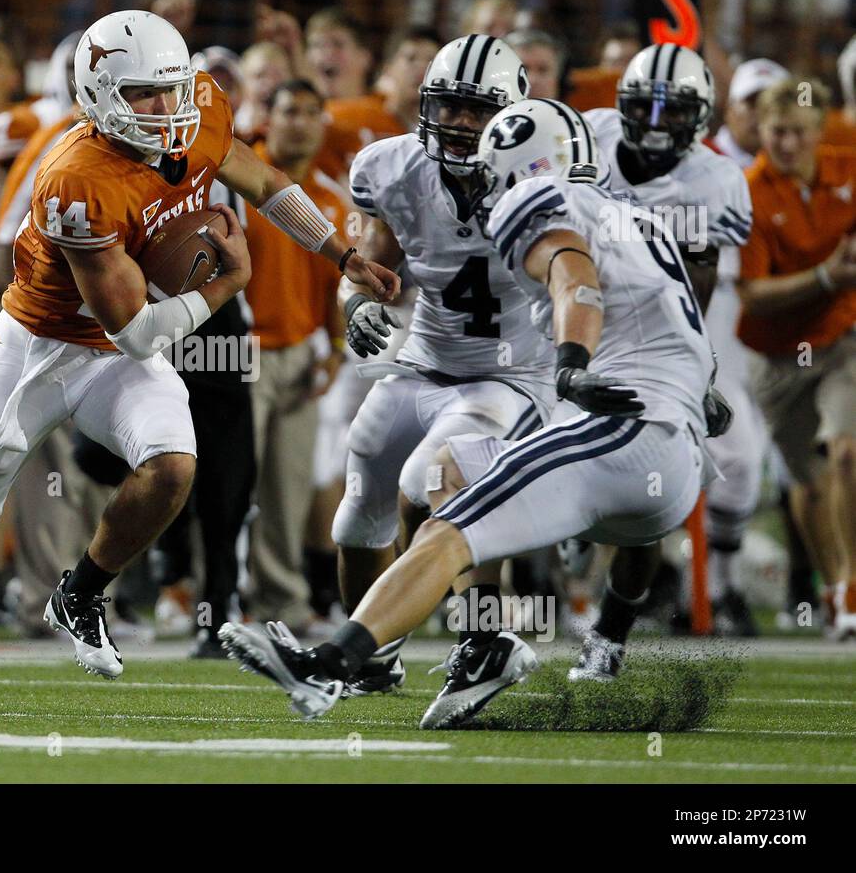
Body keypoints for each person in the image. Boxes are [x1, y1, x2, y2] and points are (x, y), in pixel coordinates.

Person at [0, 9, 399, 706]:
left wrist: (342, 254)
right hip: (44, 345)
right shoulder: (76, 180)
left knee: (173, 467)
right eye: (144, 94)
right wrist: (228, 284)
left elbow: (262, 181)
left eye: (171, 87)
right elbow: (137, 333)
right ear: (97, 95)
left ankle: (81, 592)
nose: (165, 106)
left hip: (120, 345)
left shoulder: (199, 105)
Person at [222, 98, 727, 729]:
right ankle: (459, 647)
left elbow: (575, 283)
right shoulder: (637, 220)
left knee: (444, 513)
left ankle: (358, 659)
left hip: (590, 417)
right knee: (420, 503)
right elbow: (686, 342)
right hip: (669, 456)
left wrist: (570, 363)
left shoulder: (533, 200)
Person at [332, 34, 551, 696]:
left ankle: (482, 641)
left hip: (511, 376)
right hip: (426, 362)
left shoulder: (542, 177)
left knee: (430, 478)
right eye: (447, 105)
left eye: (475, 110)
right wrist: (354, 303)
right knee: (357, 506)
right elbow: (373, 265)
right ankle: (371, 656)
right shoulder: (394, 168)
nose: (457, 122)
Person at [572, 43, 755, 663]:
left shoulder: (716, 179)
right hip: (569, 317)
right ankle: (566, 554)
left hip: (655, 338)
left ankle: (610, 636)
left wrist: (692, 369)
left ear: (700, 117)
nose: (653, 122)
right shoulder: (583, 139)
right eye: (641, 107)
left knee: (652, 492)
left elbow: (696, 285)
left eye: (669, 110)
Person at [738, 79, 856, 639]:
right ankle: (835, 588)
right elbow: (752, 293)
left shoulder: (848, 164)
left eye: (798, 132)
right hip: (778, 354)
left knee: (847, 452)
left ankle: (852, 587)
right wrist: (825, 277)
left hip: (843, 338)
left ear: (819, 131)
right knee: (806, 485)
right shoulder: (749, 191)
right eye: (776, 131)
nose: (787, 143)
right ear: (760, 130)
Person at [242, 79, 348, 635]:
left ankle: (280, 604)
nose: (300, 122)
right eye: (290, 110)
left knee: (288, 489)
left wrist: (334, 350)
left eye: (312, 112)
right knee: (230, 486)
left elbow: (337, 287)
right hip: (236, 354)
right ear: (268, 116)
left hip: (301, 357)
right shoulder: (241, 178)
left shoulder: (330, 197)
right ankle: (206, 595)